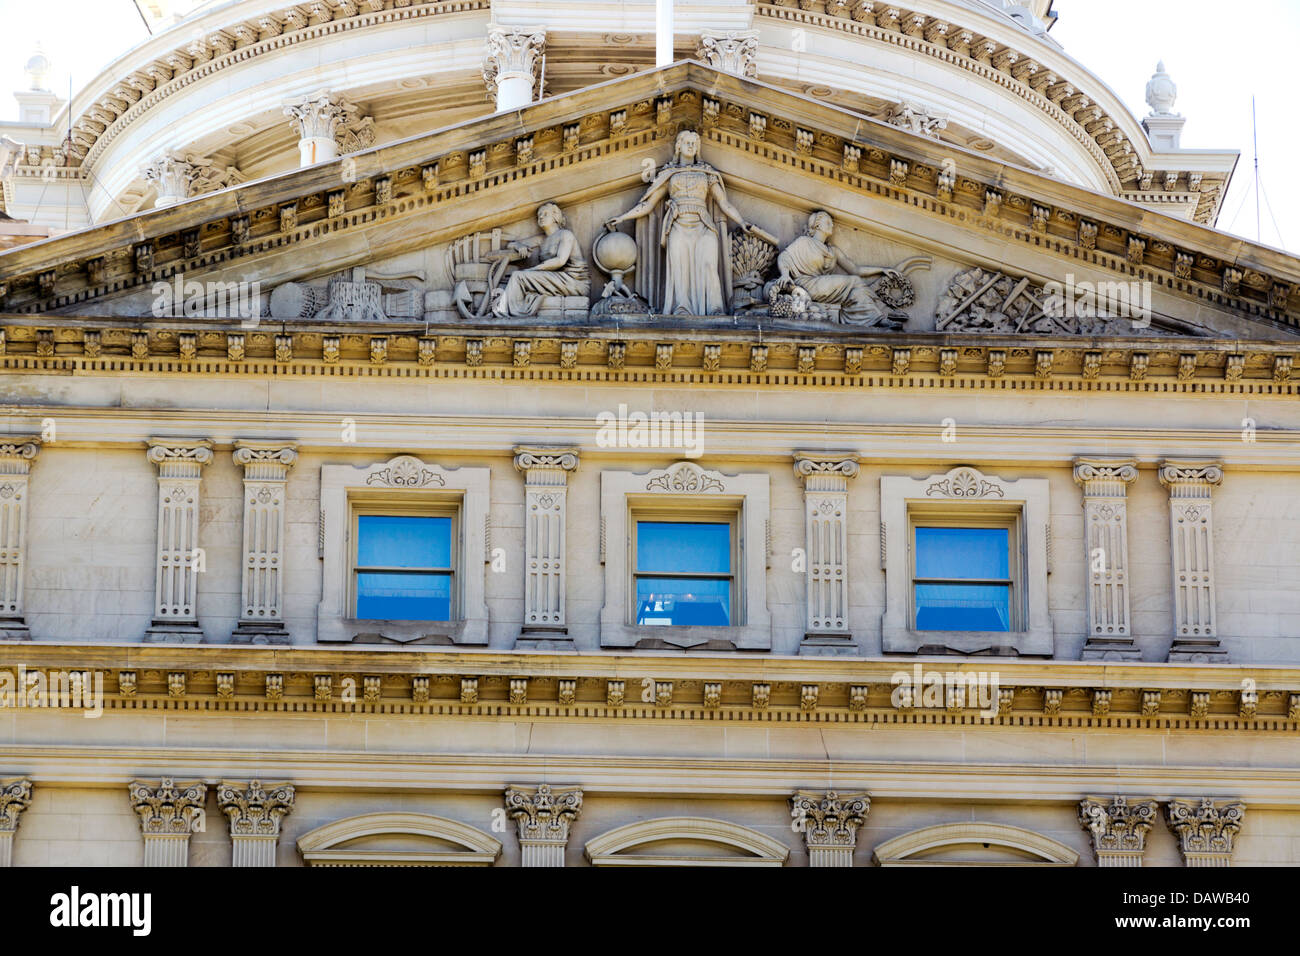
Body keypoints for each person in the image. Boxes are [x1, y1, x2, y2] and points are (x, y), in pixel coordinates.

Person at [604, 130, 756, 316]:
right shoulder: (669, 173)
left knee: (709, 265)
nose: (691, 146)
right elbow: (648, 204)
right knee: (679, 268)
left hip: (703, 225)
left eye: (694, 143)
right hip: (678, 225)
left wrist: (741, 222)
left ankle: (714, 308)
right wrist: (623, 217)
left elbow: (724, 203)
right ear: (678, 146)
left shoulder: (707, 173)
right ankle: (682, 307)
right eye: (687, 142)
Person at [769, 210, 903, 328]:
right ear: (817, 225)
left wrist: (882, 270)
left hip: (823, 286)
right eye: (828, 222)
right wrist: (785, 275)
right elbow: (784, 256)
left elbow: (856, 270)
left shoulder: (833, 250)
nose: (832, 225)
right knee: (854, 282)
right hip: (807, 284)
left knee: (857, 293)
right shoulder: (804, 242)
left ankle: (879, 318)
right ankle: (885, 309)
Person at [492, 202, 589, 318]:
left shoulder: (565, 235)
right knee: (518, 276)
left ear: (555, 217)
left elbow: (560, 261)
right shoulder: (541, 239)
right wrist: (518, 246)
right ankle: (509, 310)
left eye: (545, 214)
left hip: (573, 281)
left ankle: (509, 312)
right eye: (539, 215)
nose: (541, 217)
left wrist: (533, 270)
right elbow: (510, 245)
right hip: (557, 279)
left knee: (518, 276)